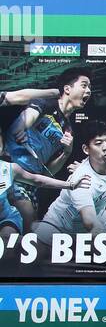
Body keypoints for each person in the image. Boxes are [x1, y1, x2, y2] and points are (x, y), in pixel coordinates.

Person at [6, 69, 91, 230]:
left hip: (31, 182)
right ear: (67, 89)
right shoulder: (45, 104)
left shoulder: (68, 129)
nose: (89, 91)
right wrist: (23, 126)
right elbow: (26, 119)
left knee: (23, 228)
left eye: (90, 88)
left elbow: (46, 173)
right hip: (12, 171)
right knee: (28, 221)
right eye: (84, 85)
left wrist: (67, 152)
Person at [35, 121, 106, 251]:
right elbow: (91, 222)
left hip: (99, 215)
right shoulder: (82, 183)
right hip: (59, 224)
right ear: (86, 149)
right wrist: (83, 170)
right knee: (30, 262)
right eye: (98, 143)